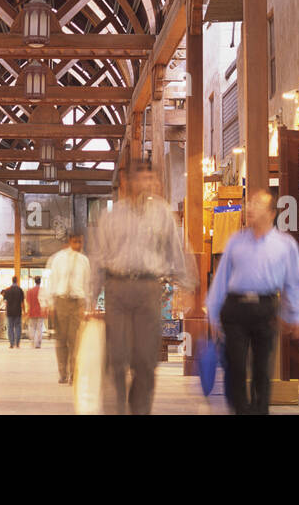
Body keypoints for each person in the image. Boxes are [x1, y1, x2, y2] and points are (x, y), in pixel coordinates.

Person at [87, 161, 196, 415]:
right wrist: (90, 299)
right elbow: (97, 259)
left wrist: (187, 286)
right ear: (127, 182)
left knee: (146, 361)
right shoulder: (111, 217)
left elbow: (176, 250)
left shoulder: (162, 213)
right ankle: (116, 409)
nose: (146, 183)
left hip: (149, 290)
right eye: (140, 178)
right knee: (117, 358)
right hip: (117, 290)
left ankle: (139, 410)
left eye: (150, 178)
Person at [206, 188, 299, 415]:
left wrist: (298, 316)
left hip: (265, 309)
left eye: (257, 204)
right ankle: (242, 410)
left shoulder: (285, 245)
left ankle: (259, 410)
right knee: (235, 366)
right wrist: (213, 314)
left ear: (272, 213)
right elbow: (221, 279)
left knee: (262, 369)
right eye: (249, 203)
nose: (250, 207)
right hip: (235, 309)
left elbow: (294, 282)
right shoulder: (235, 241)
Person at [43, 231, 91, 384]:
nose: (79, 245)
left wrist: (87, 305)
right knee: (61, 340)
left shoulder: (84, 261)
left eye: (81, 242)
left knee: (75, 340)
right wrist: (49, 303)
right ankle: (62, 372)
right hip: (61, 301)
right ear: (70, 241)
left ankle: (73, 374)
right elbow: (52, 281)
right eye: (76, 242)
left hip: (78, 302)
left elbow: (87, 284)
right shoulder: (58, 259)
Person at [0, 276, 25, 348]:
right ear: (17, 281)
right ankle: (17, 343)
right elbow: (22, 302)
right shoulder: (20, 290)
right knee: (18, 327)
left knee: (10, 327)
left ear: (12, 281)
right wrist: (24, 311)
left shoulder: (8, 290)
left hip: (10, 312)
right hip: (18, 312)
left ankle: (11, 343)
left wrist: (6, 310)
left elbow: (5, 302)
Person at [26, 277, 46, 348]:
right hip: (40, 312)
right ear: (40, 282)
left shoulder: (30, 291)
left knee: (32, 327)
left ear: (35, 281)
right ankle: (38, 343)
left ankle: (32, 342)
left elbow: (28, 302)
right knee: (39, 328)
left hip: (32, 311)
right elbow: (44, 302)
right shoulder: (43, 290)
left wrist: (27, 312)